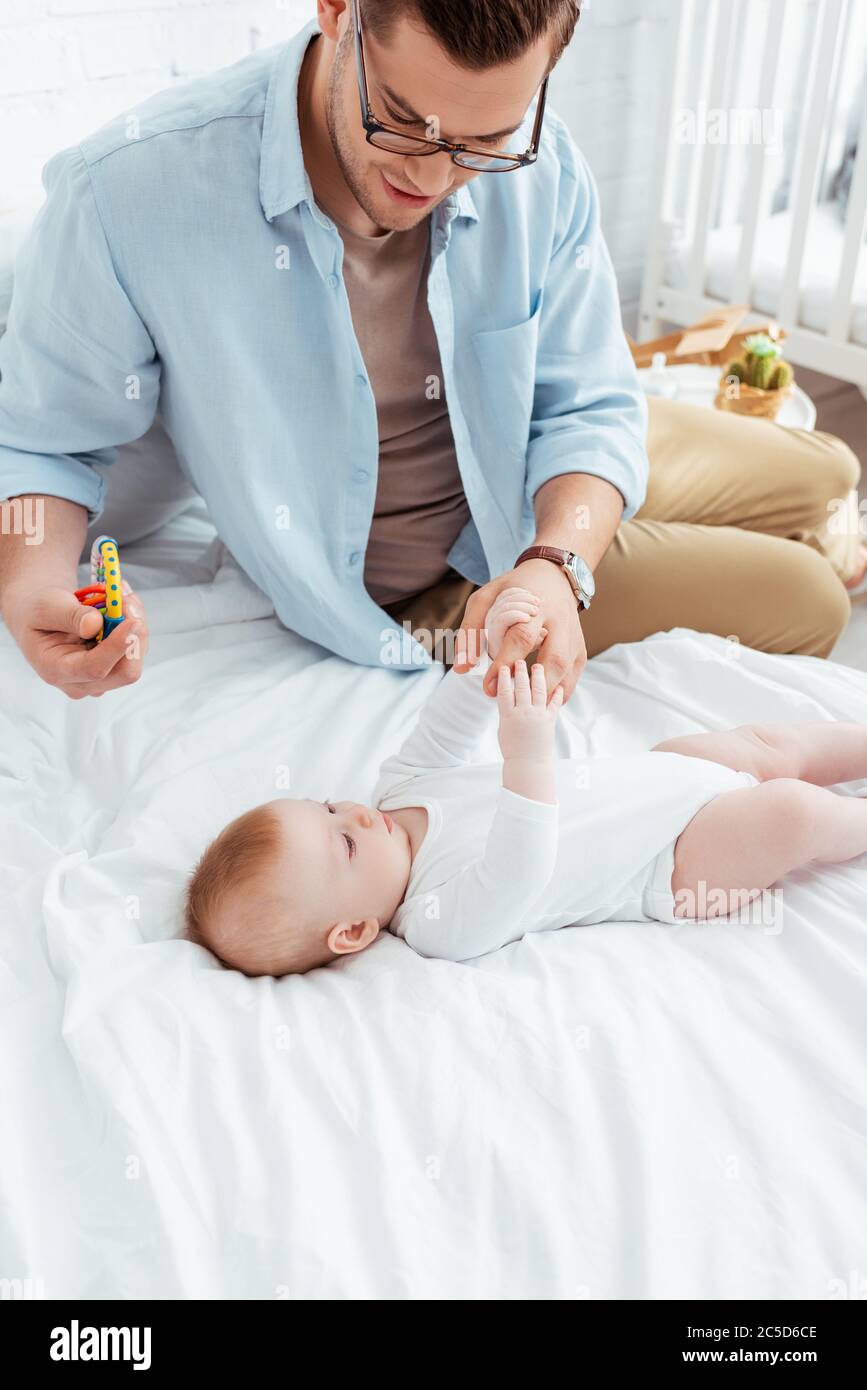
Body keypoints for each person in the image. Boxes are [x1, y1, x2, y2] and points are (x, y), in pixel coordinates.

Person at [0, 1, 860, 705]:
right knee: (810, 598)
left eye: (487, 140)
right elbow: (41, 441)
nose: (438, 177)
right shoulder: (127, 192)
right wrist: (30, 582)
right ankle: (802, 552)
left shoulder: (540, 162)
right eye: (406, 124)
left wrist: (560, 562)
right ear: (337, 12)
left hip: (529, 472)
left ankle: (792, 528)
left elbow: (589, 402)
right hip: (437, 576)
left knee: (826, 469)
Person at [183, 585, 867, 975]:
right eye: (345, 847)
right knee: (789, 813)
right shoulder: (435, 923)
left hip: (660, 774)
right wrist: (526, 753)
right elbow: (520, 865)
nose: (355, 818)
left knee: (765, 745)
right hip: (675, 862)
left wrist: (492, 662)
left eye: (330, 808)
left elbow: (445, 732)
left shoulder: (397, 796)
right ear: (353, 932)